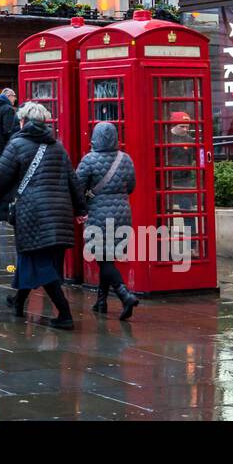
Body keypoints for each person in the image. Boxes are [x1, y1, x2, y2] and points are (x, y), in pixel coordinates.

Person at [0, 101, 84, 330]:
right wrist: (81, 209)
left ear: (23, 121)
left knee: (39, 264)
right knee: (31, 258)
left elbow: (1, 176)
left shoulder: (17, 144)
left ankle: (65, 313)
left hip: (33, 213)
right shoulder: (57, 146)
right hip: (59, 213)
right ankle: (18, 301)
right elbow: (73, 180)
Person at [75, 121, 141, 321]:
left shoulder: (89, 160)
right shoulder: (125, 159)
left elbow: (77, 188)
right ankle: (101, 301)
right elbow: (131, 186)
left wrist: (82, 206)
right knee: (108, 258)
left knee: (103, 259)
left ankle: (125, 295)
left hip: (98, 215)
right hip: (122, 214)